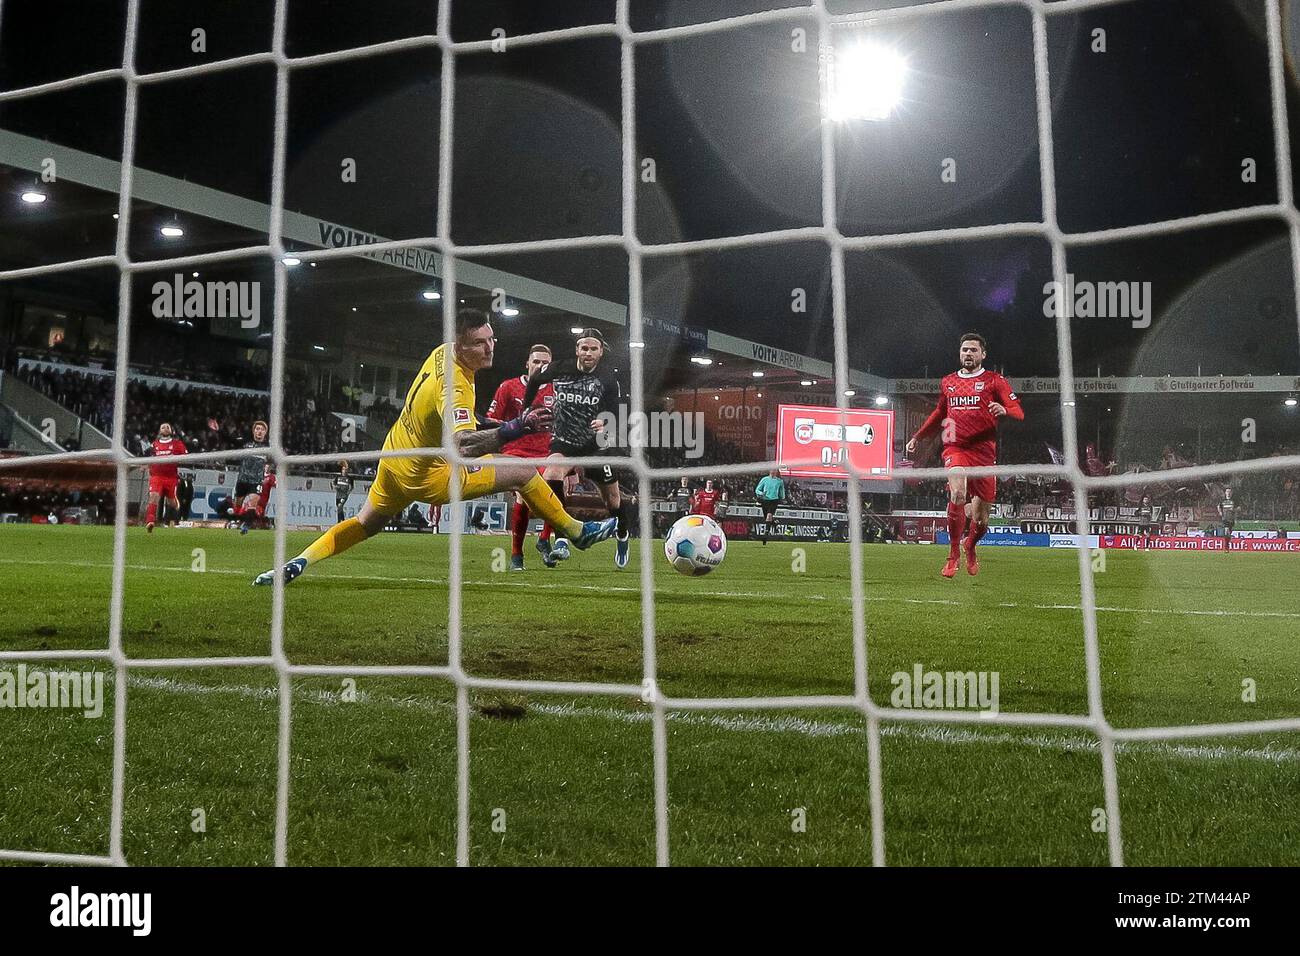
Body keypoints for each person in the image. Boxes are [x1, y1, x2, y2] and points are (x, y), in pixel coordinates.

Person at [253, 310, 616, 587]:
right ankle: (576, 532)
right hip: (429, 478)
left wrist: (492, 425)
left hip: (393, 460)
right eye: (480, 343)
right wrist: (515, 427)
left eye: (492, 339)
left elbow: (453, 421)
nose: (490, 347)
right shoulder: (456, 386)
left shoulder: (442, 352)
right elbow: (461, 445)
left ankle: (299, 561)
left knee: (364, 523)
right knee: (521, 472)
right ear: (461, 346)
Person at [905, 332, 1024, 577]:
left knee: (981, 520)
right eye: (964, 350)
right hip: (956, 447)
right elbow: (939, 413)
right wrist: (918, 436)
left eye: (973, 350)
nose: (968, 354)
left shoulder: (994, 381)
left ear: (983, 354)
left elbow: (1018, 412)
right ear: (960, 353)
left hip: (984, 453)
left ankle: (970, 545)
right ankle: (953, 556)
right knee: (957, 492)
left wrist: (1004, 409)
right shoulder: (948, 382)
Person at [522, 328, 631, 568]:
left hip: (595, 446)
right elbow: (534, 379)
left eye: (593, 348)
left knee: (612, 501)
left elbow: (618, 412)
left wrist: (605, 421)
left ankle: (622, 535)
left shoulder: (607, 379)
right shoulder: (559, 369)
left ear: (601, 351)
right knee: (551, 474)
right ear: (577, 350)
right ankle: (561, 538)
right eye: (584, 348)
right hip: (564, 441)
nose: (588, 353)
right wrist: (526, 408)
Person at [486, 344, 555, 570]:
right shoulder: (509, 387)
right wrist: (515, 426)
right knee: (523, 497)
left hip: (545, 454)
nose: (541, 366)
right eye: (536, 362)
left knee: (556, 486)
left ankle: (544, 540)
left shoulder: (556, 392)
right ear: (527, 363)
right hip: (515, 453)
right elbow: (490, 420)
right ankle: (517, 555)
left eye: (545, 363)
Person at [143, 422, 186, 532]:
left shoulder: (177, 444)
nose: (165, 429)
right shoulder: (154, 445)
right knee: (153, 496)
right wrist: (144, 465)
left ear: (171, 431)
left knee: (171, 502)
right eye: (163, 427)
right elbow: (147, 457)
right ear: (160, 431)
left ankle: (178, 518)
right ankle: (150, 521)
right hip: (156, 476)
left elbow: (185, 457)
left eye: (168, 427)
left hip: (171, 477)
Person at [754, 468, 786, 545]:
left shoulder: (779, 481)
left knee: (769, 516)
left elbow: (782, 492)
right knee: (767, 518)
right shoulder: (764, 479)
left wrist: (782, 497)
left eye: (775, 470)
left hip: (774, 501)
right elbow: (757, 490)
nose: (773, 471)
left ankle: (765, 535)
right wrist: (761, 494)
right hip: (765, 500)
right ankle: (774, 523)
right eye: (772, 470)